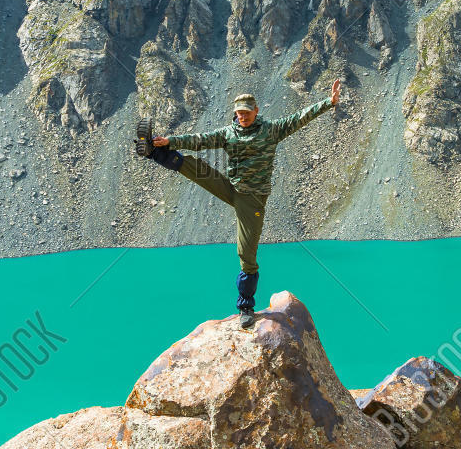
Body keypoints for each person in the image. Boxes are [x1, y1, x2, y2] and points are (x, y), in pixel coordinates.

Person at [141, 80, 342, 327]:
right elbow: (200, 139)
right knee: (198, 169)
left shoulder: (271, 130)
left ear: (256, 111)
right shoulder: (229, 134)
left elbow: (299, 118)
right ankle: (154, 151)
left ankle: (246, 305)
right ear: (235, 113)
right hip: (232, 188)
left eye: (248, 111)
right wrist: (170, 141)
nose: (244, 115)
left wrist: (328, 103)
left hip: (252, 199)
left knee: (246, 254)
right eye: (240, 112)